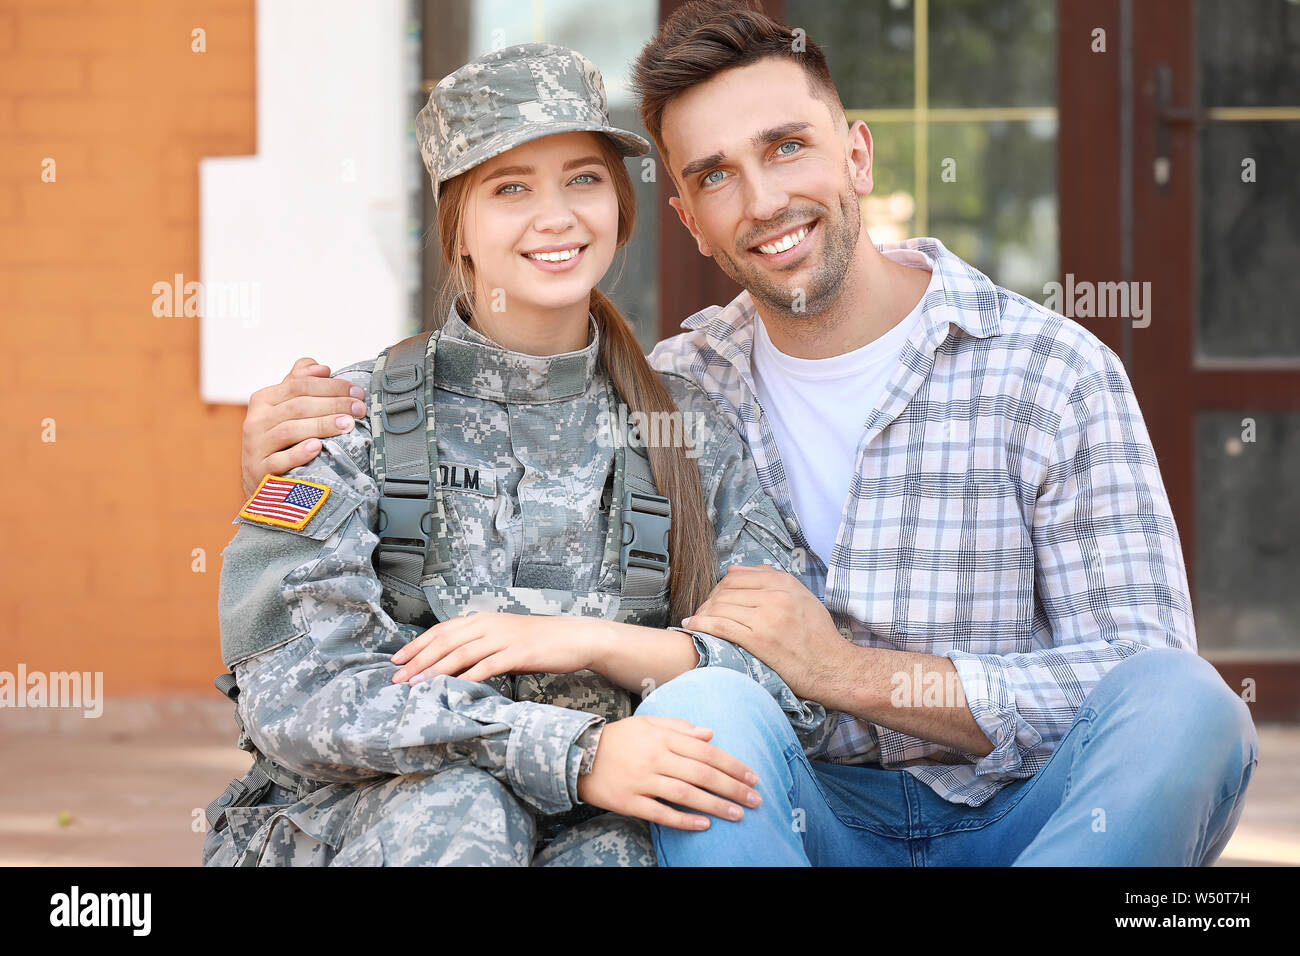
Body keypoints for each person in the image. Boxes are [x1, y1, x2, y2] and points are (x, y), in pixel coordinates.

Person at [240, 1, 1258, 867]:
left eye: (786, 147)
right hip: (786, 811)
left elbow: (1129, 677)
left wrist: (842, 670)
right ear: (685, 215)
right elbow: (295, 664)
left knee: (1186, 703)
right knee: (705, 721)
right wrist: (275, 470)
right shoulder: (672, 384)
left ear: (855, 153)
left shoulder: (1044, 371)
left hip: (1029, 812)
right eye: (718, 173)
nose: (763, 199)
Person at [200, 40, 830, 868]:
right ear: (456, 227)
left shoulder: (690, 430)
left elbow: (789, 686)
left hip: (599, 824)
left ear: (619, 205)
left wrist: (593, 649)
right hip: (365, 828)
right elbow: (297, 692)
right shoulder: (343, 422)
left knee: (627, 850)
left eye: (583, 177)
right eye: (509, 188)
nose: (556, 215)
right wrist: (573, 752)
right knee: (459, 808)